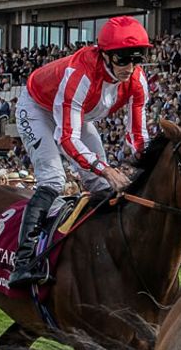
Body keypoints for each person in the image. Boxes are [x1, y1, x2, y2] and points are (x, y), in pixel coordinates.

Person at [8, 16, 154, 288]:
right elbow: (66, 138)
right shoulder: (82, 74)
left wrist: (148, 165)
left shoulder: (136, 79)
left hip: (78, 115)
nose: (130, 67)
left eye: (136, 58)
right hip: (38, 109)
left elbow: (137, 135)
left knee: (101, 186)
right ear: (106, 56)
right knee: (54, 180)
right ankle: (24, 262)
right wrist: (106, 168)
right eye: (122, 59)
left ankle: (97, 254)